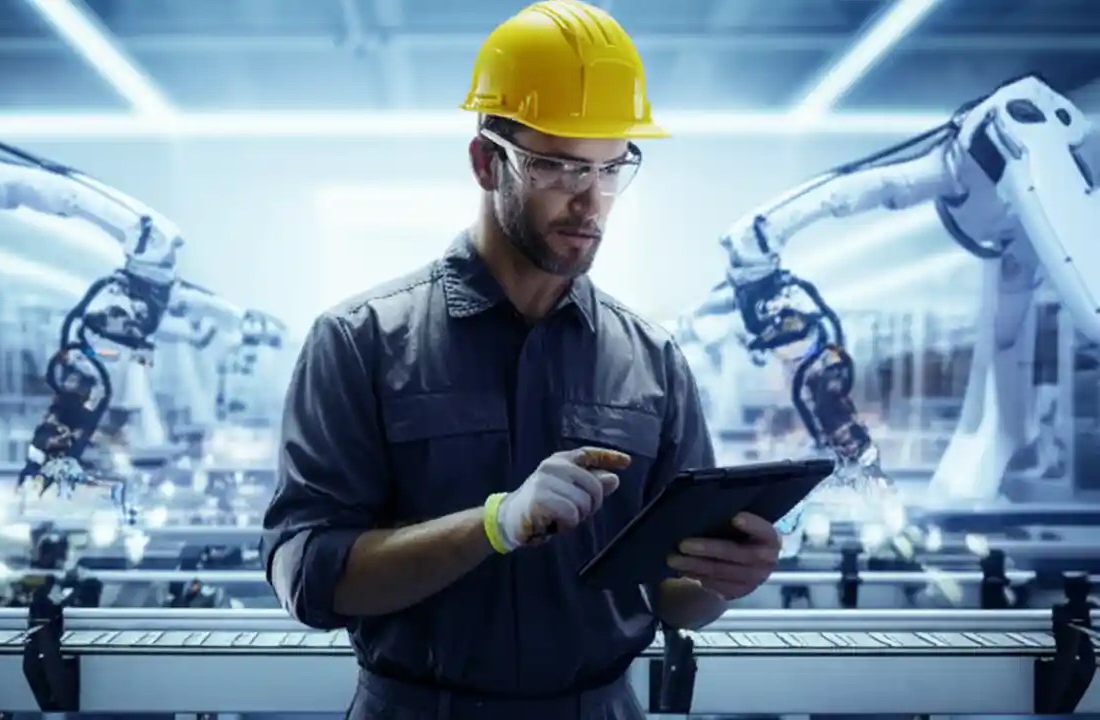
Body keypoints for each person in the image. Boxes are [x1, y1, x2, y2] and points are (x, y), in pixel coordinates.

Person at [262, 1, 781, 717]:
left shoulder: (652, 360)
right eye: (557, 166)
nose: (589, 200)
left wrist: (724, 578)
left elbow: (673, 597)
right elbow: (310, 580)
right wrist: (496, 524)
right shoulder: (360, 341)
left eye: (609, 168)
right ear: (485, 161)